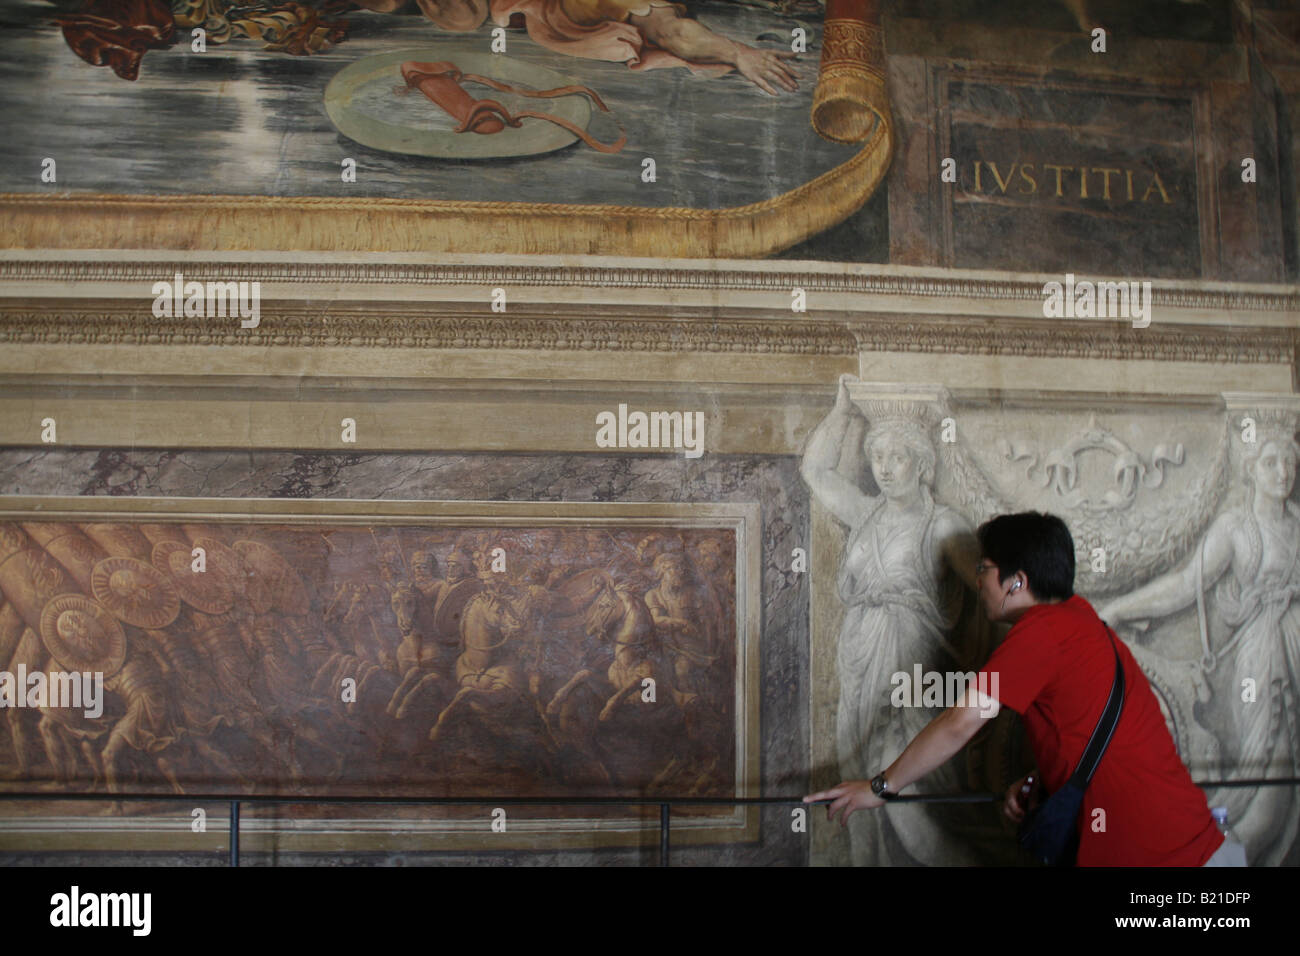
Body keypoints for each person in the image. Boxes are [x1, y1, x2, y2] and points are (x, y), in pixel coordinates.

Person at [806, 511, 1235, 866]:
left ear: (1016, 580)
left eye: (984, 569)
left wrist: (880, 788)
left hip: (1164, 858)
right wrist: (1045, 778)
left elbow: (960, 723)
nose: (977, 582)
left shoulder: (1040, 635)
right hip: (1184, 843)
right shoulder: (1080, 620)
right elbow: (1098, 729)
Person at [800, 374, 983, 865]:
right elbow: (815, 471)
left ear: (922, 465)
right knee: (855, 801)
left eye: (896, 457)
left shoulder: (942, 525)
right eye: (878, 457)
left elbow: (989, 595)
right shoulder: (865, 515)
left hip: (911, 684)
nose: (883, 468)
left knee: (908, 804)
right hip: (859, 675)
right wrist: (841, 412)